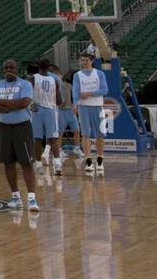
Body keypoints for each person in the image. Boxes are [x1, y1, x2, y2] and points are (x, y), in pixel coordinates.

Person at [0, 58, 38, 209]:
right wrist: (11, 106)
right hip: (4, 128)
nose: (9, 69)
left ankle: (31, 198)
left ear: (17, 69)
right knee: (8, 162)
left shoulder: (25, 84)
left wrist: (2, 103)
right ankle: (15, 196)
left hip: (22, 127)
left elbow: (24, 103)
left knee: (26, 163)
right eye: (6, 67)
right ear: (3, 70)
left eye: (12, 67)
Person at [73, 32, 121, 176]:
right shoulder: (77, 75)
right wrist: (75, 104)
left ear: (92, 60)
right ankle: (88, 160)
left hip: (97, 106)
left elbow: (105, 89)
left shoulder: (99, 74)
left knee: (100, 134)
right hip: (83, 107)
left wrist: (90, 93)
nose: (84, 62)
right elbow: (75, 91)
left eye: (86, 60)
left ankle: (100, 158)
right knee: (85, 134)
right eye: (82, 60)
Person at [30, 59, 63, 177]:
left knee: (37, 139)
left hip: (37, 110)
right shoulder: (54, 80)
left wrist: (31, 104)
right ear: (49, 67)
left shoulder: (33, 78)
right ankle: (57, 164)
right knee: (53, 138)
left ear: (38, 66)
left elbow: (28, 95)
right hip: (50, 110)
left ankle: (38, 165)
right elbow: (59, 101)